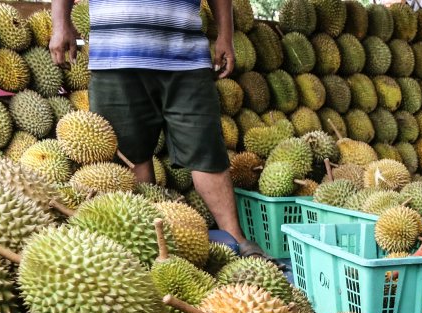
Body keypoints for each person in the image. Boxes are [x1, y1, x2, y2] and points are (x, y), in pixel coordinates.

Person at [49, 0, 270, 259]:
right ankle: (150, 240)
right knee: (129, 157)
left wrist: (226, 36)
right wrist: (60, 23)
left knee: (207, 150)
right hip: (116, 55)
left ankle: (236, 237)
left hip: (185, 56)